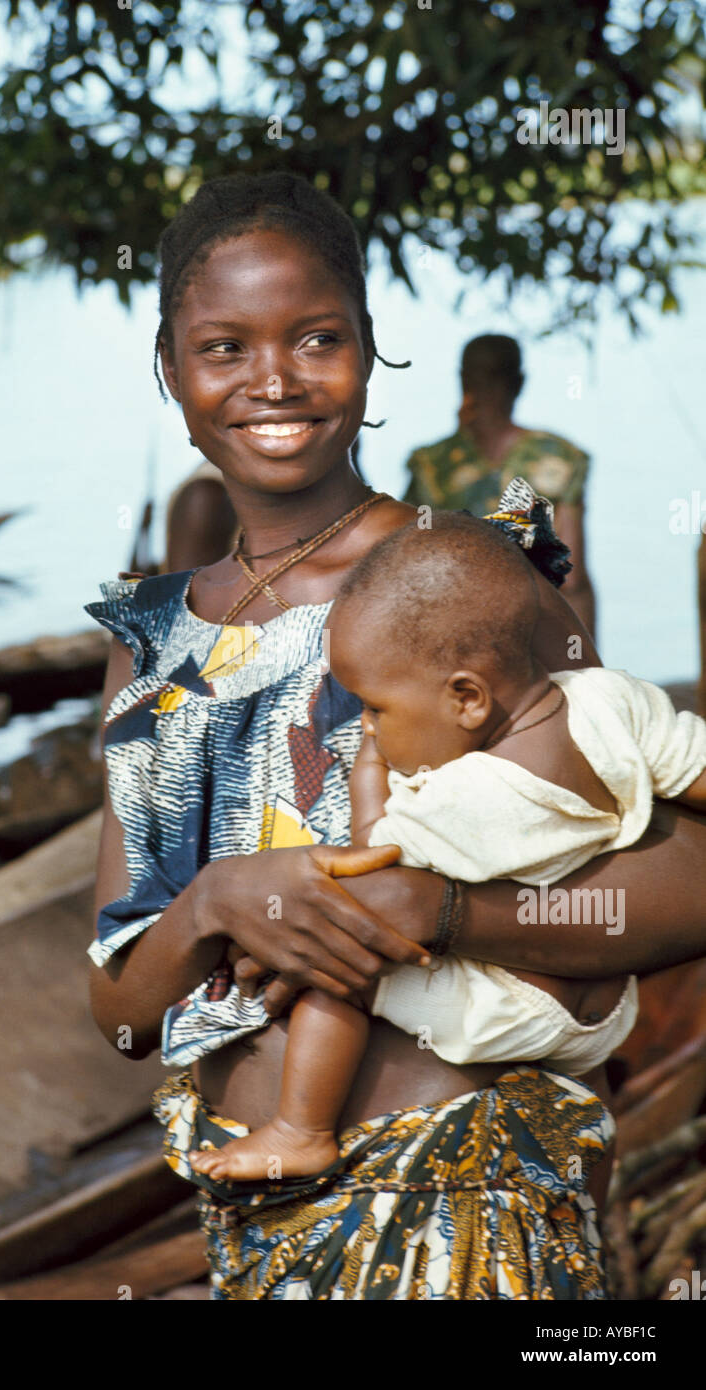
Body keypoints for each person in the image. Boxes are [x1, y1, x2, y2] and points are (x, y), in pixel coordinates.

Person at [84, 170, 706, 1301]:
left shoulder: (469, 576)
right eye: (224, 348)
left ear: (371, 348)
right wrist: (219, 900)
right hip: (259, 1215)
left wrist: (446, 907)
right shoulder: (151, 639)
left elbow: (686, 884)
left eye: (317, 337)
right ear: (169, 369)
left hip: (476, 1201)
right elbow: (124, 1009)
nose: (273, 380)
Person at [187, 499, 706, 1185]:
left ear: (466, 699)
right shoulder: (613, 703)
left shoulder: (456, 804)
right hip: (600, 1012)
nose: (368, 728)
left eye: (374, 708)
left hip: (497, 1016)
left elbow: (372, 874)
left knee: (337, 965)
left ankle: (300, 1129)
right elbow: (692, 769)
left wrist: (366, 784)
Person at [404, 335, 597, 635]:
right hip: (535, 636)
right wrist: (589, 669)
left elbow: (407, 561)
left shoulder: (431, 464)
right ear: (519, 384)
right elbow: (573, 578)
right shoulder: (560, 459)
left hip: (449, 635)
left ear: (462, 380)